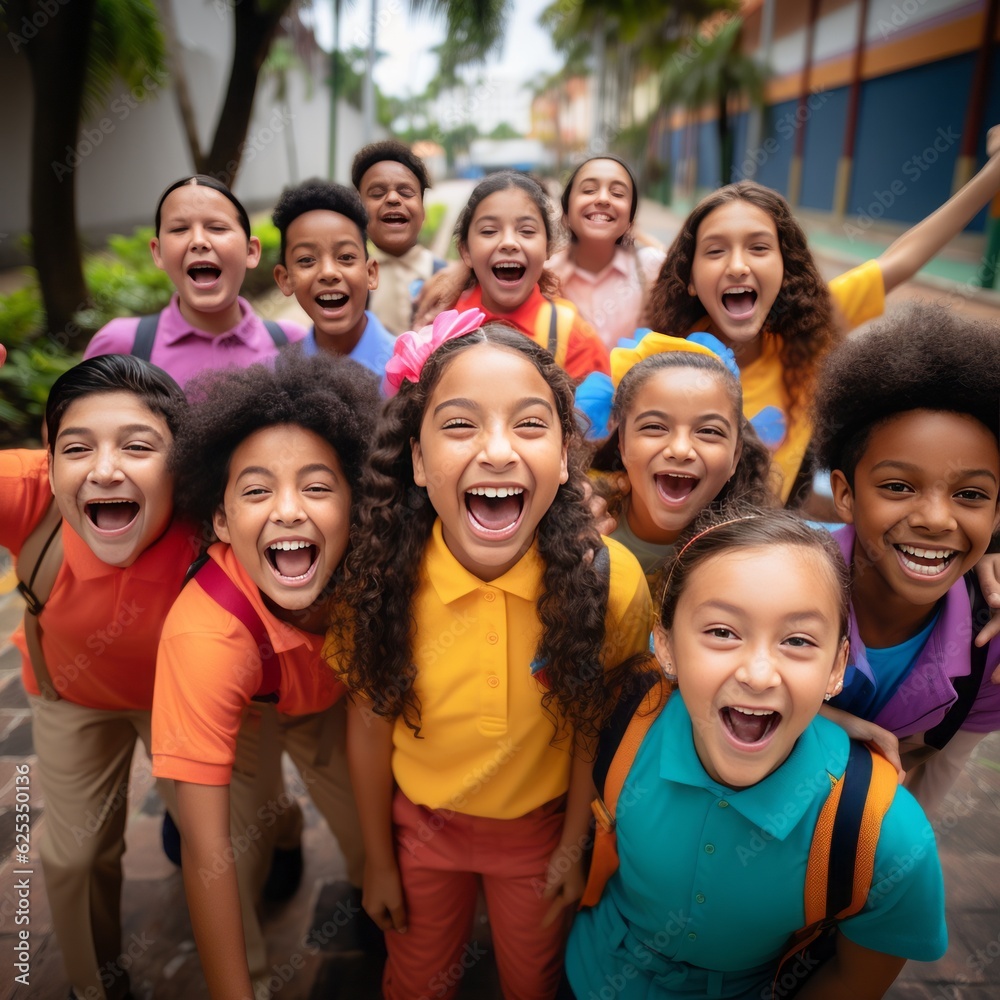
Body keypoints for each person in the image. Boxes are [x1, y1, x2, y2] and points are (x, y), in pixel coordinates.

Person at [327, 312, 651, 999]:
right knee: (415, 980)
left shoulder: (608, 581)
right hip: (418, 831)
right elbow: (366, 727)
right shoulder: (379, 583)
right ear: (417, 458)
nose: (498, 451)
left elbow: (591, 723)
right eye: (460, 424)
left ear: (565, 456)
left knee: (531, 981)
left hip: (536, 838)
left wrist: (571, 844)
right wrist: (375, 863)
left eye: (530, 425)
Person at [566, 509, 947, 999]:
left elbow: (855, 981)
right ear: (666, 646)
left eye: (797, 640)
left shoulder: (885, 836)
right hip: (585, 971)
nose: (759, 673)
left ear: (837, 668)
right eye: (722, 632)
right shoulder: (627, 718)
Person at [151, 350, 380, 999]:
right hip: (248, 703)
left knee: (374, 835)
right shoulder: (204, 635)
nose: (286, 511)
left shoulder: (380, 574)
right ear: (220, 521)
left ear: (357, 505)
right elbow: (207, 849)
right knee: (233, 852)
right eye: (256, 490)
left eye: (317, 486)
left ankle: (375, 911)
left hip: (333, 703)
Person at [645, 129, 1000, 504]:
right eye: (715, 251)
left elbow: (904, 258)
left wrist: (994, 172)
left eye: (759, 247)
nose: (737, 266)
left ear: (785, 269)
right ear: (690, 280)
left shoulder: (811, 327)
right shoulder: (663, 357)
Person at [2, 354, 198, 1000]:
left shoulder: (215, 502)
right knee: (73, 857)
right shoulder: (28, 492)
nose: (105, 469)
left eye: (138, 446)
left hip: (187, 701)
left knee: (226, 843)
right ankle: (96, 988)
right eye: (77, 448)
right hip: (71, 696)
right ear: (49, 456)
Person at [812, 302, 1000, 817]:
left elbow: (921, 803)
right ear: (846, 495)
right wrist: (823, 722)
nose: (937, 518)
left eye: (971, 495)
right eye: (898, 486)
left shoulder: (990, 651)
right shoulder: (772, 571)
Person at [588, 331, 776, 585]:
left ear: (735, 456)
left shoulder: (753, 563)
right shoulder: (577, 511)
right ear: (622, 442)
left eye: (708, 431)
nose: (680, 449)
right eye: (655, 427)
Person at [84, 175, 306, 385]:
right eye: (179, 229)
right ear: (158, 253)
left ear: (251, 251)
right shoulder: (121, 345)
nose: (198, 241)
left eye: (217, 228)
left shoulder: (295, 344)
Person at [443, 170, 611, 381]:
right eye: (488, 231)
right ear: (465, 251)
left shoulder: (573, 338)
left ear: (548, 247)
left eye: (527, 231)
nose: (509, 242)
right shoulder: (443, 325)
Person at [271, 178, 395, 379]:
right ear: (285, 279)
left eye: (346, 257)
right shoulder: (281, 372)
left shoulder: (410, 368)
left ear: (370, 273)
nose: (328, 272)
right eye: (306, 260)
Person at [547, 154, 665, 351]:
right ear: (566, 213)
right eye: (589, 190)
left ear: (630, 221)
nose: (602, 199)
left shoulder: (652, 268)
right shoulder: (543, 276)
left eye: (618, 194)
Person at [351, 139, 446, 335]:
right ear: (358, 210)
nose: (393, 199)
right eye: (377, 193)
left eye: (405, 192)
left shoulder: (447, 277)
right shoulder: (351, 280)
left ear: (423, 210)